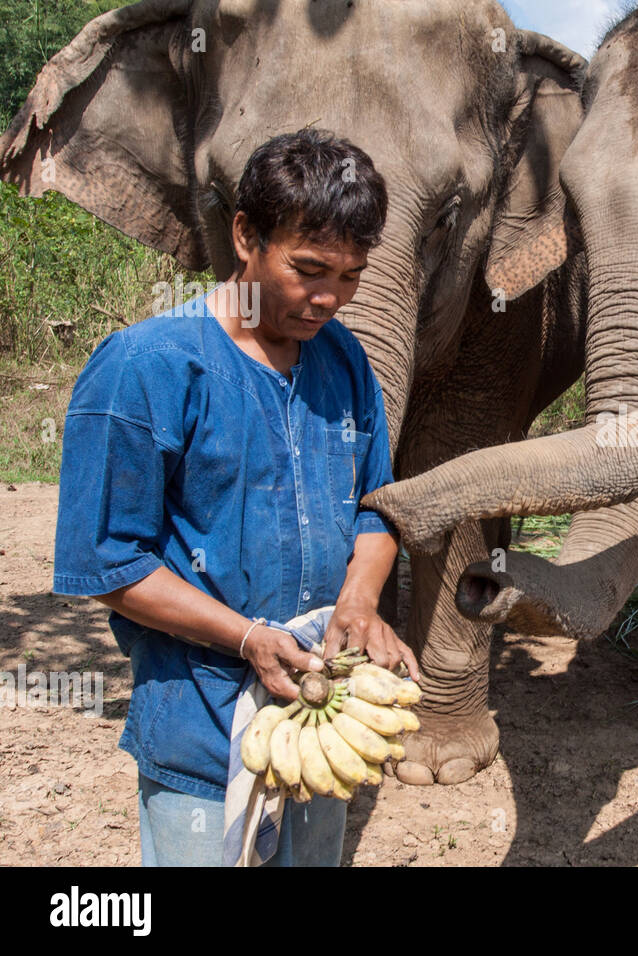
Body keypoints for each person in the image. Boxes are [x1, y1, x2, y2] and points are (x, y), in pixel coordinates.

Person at [52, 128, 420, 866]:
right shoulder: (147, 366)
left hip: (323, 707)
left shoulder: (342, 357)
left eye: (351, 276)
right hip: (200, 717)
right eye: (309, 269)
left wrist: (358, 602)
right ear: (245, 234)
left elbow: (377, 505)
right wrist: (249, 638)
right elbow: (110, 562)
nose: (330, 298)